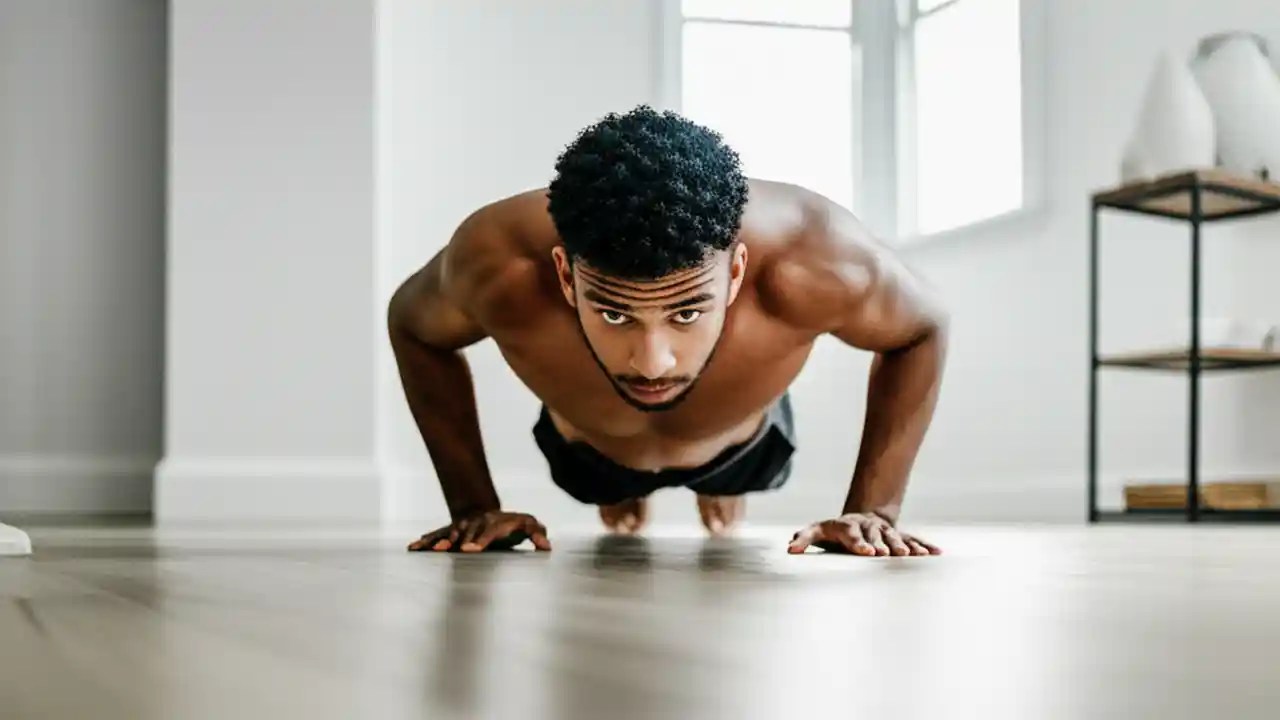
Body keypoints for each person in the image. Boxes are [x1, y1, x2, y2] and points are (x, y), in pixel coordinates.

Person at [388, 106, 947, 557]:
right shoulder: (497, 264)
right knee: (610, 484)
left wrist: (873, 511)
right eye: (614, 313)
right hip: (587, 459)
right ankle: (625, 485)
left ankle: (718, 483)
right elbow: (414, 327)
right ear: (565, 274)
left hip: (746, 449)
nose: (652, 363)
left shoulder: (816, 259)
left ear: (734, 272)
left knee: (725, 474)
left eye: (685, 313)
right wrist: (471, 506)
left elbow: (922, 328)